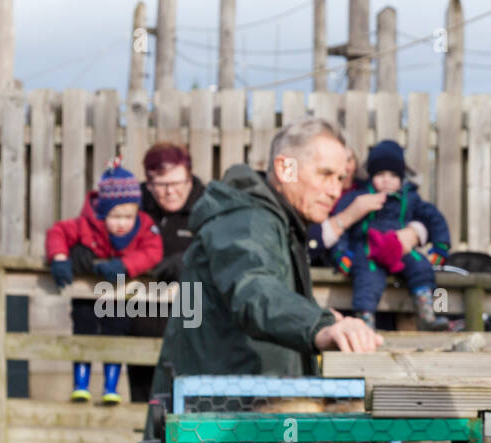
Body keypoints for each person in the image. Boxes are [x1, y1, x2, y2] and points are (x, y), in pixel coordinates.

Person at [150, 116, 381, 399]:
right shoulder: (247, 220)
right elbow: (255, 290)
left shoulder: (280, 224)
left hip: (237, 414)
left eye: (341, 178)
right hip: (212, 423)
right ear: (285, 169)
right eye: (324, 174)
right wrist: (318, 325)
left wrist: (313, 312)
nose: (335, 191)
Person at [46, 159, 163, 404]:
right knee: (84, 329)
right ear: (103, 211)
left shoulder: (144, 227)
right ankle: (81, 383)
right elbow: (58, 232)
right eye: (115, 216)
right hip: (87, 292)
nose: (122, 223)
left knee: (116, 332)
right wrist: (59, 257)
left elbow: (153, 251)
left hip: (120, 294)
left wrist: (125, 265)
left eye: (128, 216)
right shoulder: (87, 224)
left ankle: (111, 386)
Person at [328, 140, 451, 331]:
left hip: (402, 249)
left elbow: (434, 219)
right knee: (367, 280)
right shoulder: (359, 197)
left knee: (422, 267)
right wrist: (341, 254)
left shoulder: (409, 198)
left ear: (402, 177)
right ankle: (365, 323)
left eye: (393, 175)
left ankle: (426, 314)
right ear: (371, 176)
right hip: (368, 251)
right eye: (380, 174)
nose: (387, 180)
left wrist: (440, 246)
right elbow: (342, 226)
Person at [126, 143, 207, 404]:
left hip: (190, 332)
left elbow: (230, 247)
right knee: (143, 412)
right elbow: (99, 228)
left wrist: (190, 258)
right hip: (140, 326)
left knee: (186, 413)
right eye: (161, 185)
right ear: (148, 183)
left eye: (178, 182)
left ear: (189, 176)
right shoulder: (133, 205)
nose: (171, 191)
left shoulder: (207, 206)